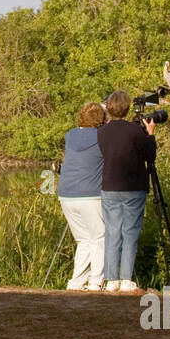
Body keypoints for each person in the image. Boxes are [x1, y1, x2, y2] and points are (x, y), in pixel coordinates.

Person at [96, 90, 156, 296]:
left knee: (113, 232)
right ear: (127, 108)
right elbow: (150, 154)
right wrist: (150, 134)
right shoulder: (134, 131)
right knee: (130, 233)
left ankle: (111, 279)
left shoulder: (101, 132)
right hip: (133, 188)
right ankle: (126, 279)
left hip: (110, 187)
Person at [58, 101, 108, 291]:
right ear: (101, 120)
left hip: (66, 194)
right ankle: (96, 281)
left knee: (84, 240)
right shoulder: (102, 137)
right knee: (99, 238)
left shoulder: (70, 135)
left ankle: (76, 282)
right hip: (90, 194)